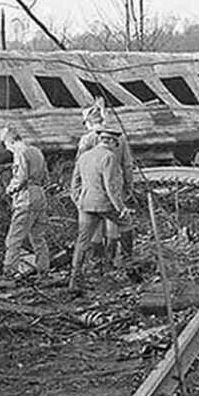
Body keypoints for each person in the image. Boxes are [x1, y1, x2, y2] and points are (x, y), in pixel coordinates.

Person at [69, 128, 134, 293]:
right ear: (111, 141)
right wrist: (121, 208)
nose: (115, 147)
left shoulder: (84, 156)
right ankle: (130, 266)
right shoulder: (109, 157)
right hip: (104, 204)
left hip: (86, 204)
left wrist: (79, 200)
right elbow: (110, 186)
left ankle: (74, 279)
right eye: (115, 144)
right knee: (127, 224)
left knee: (82, 240)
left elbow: (74, 183)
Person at [76, 99, 136, 267]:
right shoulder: (120, 138)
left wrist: (78, 195)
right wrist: (129, 187)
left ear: (88, 122)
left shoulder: (86, 139)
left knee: (93, 226)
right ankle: (116, 258)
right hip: (115, 187)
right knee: (115, 222)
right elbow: (127, 164)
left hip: (91, 192)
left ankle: (99, 260)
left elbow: (78, 169)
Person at [0, 124, 50, 279]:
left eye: (6, 145)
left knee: (13, 239)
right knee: (38, 237)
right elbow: (46, 178)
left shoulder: (20, 153)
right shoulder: (37, 151)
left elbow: (20, 178)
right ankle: (44, 270)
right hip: (40, 195)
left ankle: (9, 273)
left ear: (10, 141)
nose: (8, 149)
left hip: (25, 197)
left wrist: (10, 189)